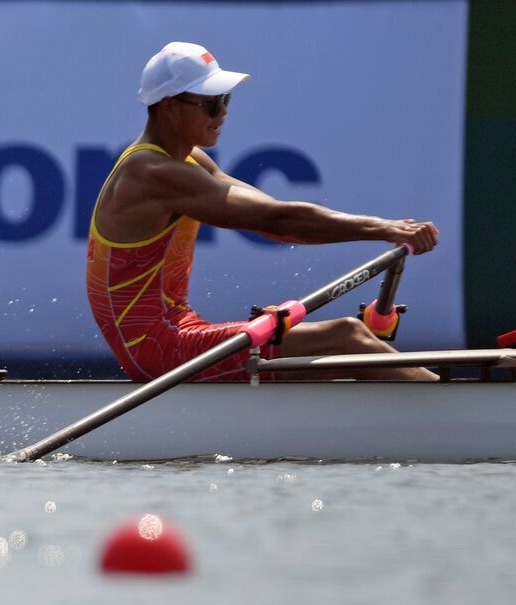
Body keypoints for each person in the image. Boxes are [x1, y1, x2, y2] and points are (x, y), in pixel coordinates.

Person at [86, 42, 440, 382]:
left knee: (338, 347)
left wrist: (382, 228)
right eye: (210, 104)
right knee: (346, 336)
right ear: (168, 106)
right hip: (157, 350)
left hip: (180, 331)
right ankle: (454, 414)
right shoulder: (153, 174)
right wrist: (383, 228)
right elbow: (278, 221)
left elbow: (272, 215)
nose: (222, 112)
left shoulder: (190, 160)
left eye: (224, 99)